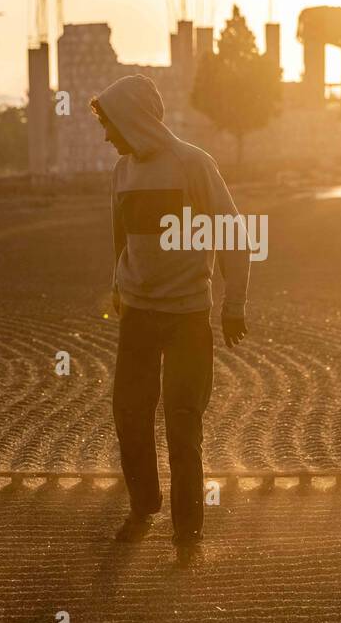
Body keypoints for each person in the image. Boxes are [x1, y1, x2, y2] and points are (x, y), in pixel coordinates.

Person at [92, 74, 250, 565]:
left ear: (133, 120)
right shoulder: (122, 171)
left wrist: (234, 305)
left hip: (186, 316)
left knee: (183, 423)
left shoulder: (193, 164)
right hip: (138, 316)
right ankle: (143, 509)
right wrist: (118, 288)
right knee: (130, 415)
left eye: (110, 125)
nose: (106, 136)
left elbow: (233, 235)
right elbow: (121, 237)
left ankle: (188, 536)